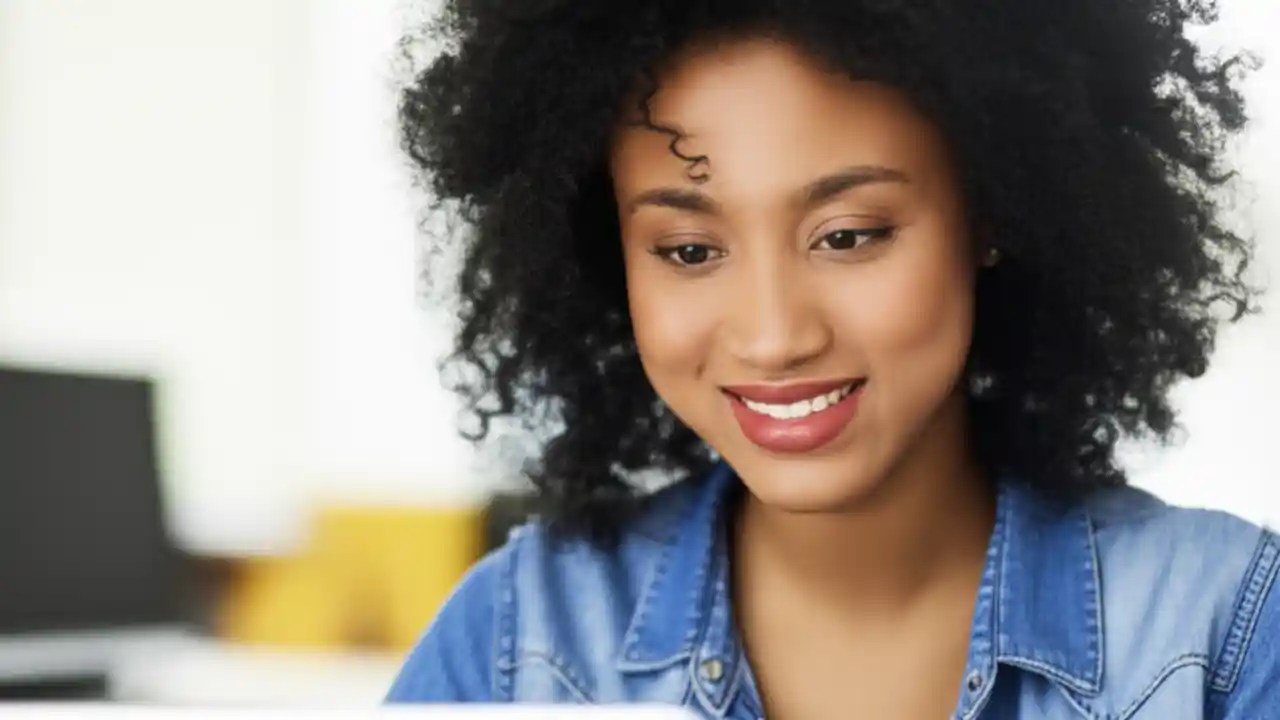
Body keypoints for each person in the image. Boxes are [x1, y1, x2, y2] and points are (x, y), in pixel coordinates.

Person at [386, 1, 1278, 717]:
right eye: (690, 251)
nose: (774, 336)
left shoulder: (1224, 631)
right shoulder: (518, 639)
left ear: (992, 215)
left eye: (847, 236)